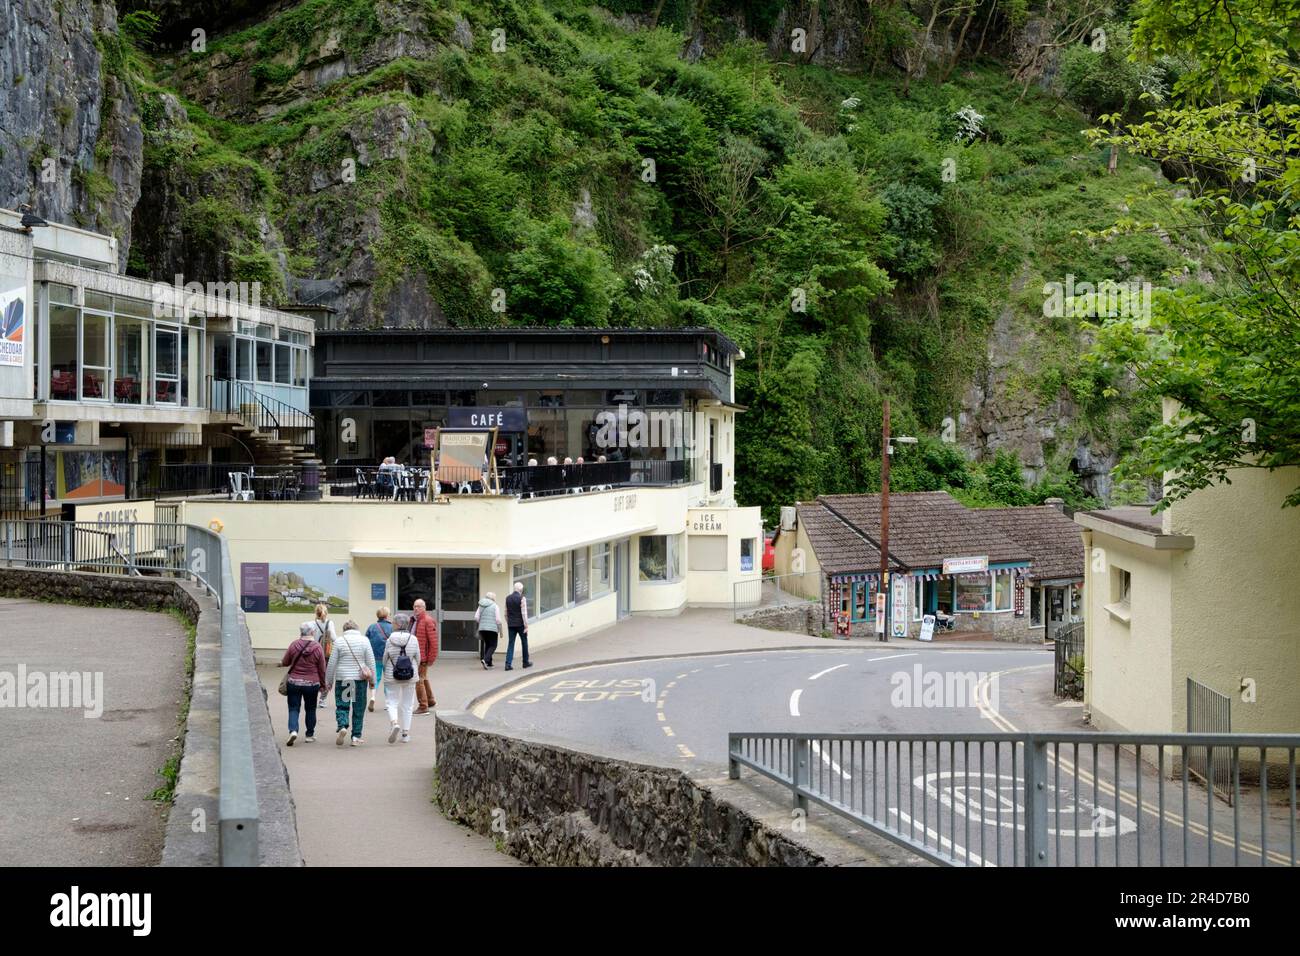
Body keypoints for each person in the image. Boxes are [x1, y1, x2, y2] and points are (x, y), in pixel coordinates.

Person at [324, 620, 376, 747]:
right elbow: (371, 661)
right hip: (359, 680)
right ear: (357, 628)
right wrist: (372, 681)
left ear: (344, 630)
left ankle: (342, 725)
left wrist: (328, 681)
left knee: (343, 705)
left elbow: (331, 663)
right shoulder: (364, 640)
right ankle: (356, 737)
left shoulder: (339, 641)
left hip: (344, 680)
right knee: (358, 708)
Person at [280, 622, 327, 745]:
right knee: (311, 709)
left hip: (294, 682)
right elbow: (322, 669)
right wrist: (323, 685)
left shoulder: (294, 645)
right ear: (312, 632)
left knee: (293, 708)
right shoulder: (317, 647)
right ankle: (309, 735)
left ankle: (293, 731)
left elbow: (285, 662)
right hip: (312, 684)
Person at [381, 613, 420, 744]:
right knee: (408, 705)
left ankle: (394, 723)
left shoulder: (390, 639)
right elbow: (418, 658)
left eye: (393, 622)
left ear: (397, 624)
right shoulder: (413, 639)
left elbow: (385, 658)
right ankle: (405, 734)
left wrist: (385, 670)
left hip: (392, 675)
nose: (392, 624)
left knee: (391, 702)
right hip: (410, 676)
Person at [412, 598, 439, 715]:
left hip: (422, 657)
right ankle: (430, 700)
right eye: (414, 606)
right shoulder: (415, 620)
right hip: (417, 656)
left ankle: (423, 706)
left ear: (424, 608)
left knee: (419, 680)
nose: (416, 608)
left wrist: (431, 658)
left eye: (419, 606)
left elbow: (433, 642)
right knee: (423, 677)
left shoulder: (427, 620)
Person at [364, 607, 393, 712]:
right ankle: (388, 703)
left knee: (375, 678)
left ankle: (373, 697)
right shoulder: (392, 627)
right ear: (386, 615)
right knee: (388, 680)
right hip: (388, 658)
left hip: (374, 657)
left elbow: (365, 642)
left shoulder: (372, 627)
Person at [504, 581, 533, 671]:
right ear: (521, 589)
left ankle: (508, 664)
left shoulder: (507, 598)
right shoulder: (522, 598)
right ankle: (525, 662)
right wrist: (526, 626)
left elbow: (505, 613)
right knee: (524, 642)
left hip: (511, 624)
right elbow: (524, 613)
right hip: (520, 624)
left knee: (511, 643)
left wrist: (508, 622)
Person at [475, 591, 502, 669]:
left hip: (483, 628)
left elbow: (476, 617)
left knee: (488, 644)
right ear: (493, 598)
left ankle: (489, 663)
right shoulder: (495, 606)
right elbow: (498, 620)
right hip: (492, 629)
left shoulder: (481, 605)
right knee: (493, 645)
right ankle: (485, 660)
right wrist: (499, 628)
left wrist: (482, 622)